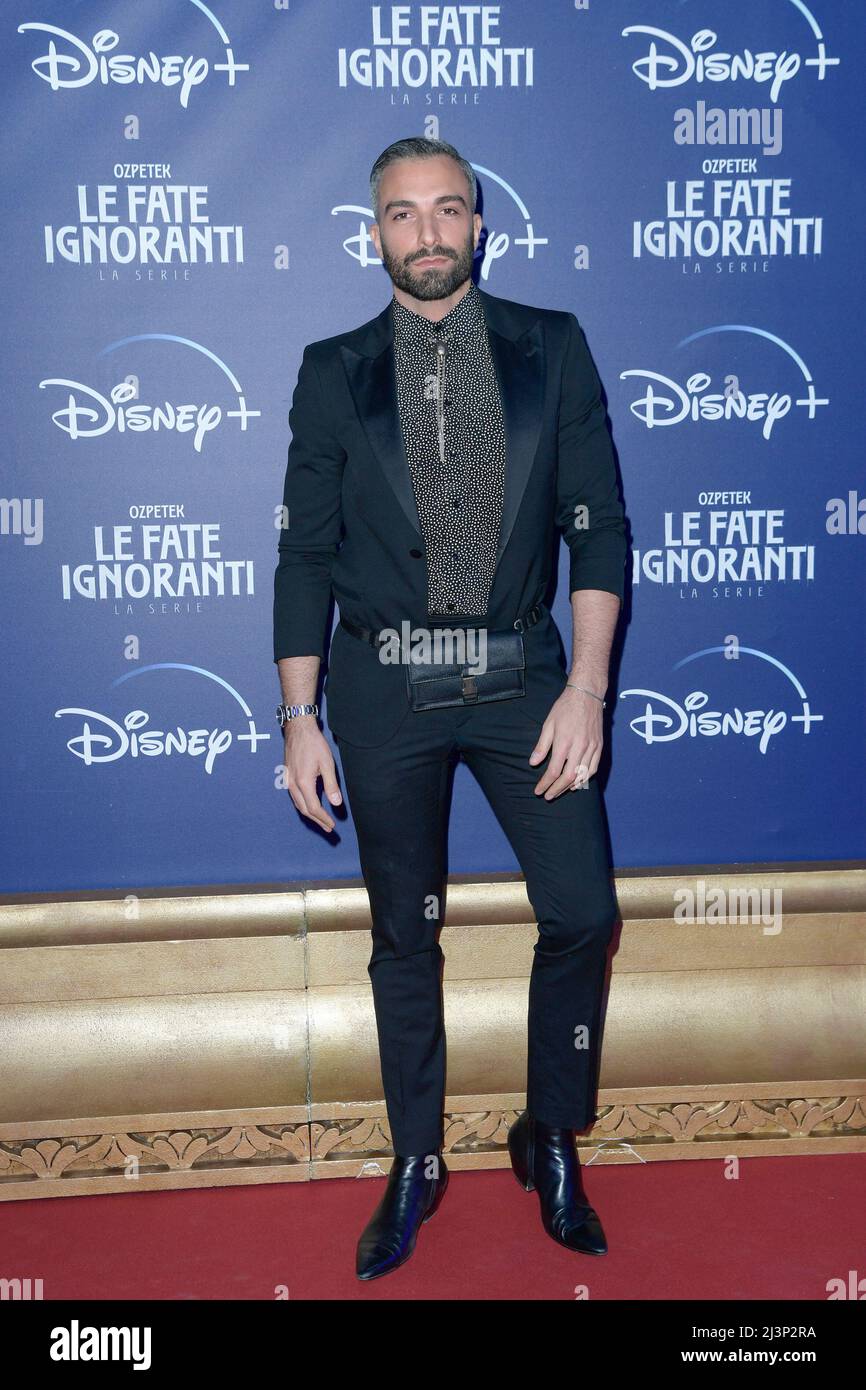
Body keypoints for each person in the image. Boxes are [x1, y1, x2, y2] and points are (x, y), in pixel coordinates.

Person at [273, 136, 627, 1281]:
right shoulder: (333, 370)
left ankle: (549, 1134)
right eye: (400, 214)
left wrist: (586, 688)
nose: (425, 233)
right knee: (401, 937)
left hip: (524, 674)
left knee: (580, 908)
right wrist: (298, 714)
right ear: (372, 233)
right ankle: (416, 1158)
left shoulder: (551, 348)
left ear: (479, 223)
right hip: (384, 684)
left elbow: (598, 526)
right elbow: (302, 557)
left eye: (446, 210)